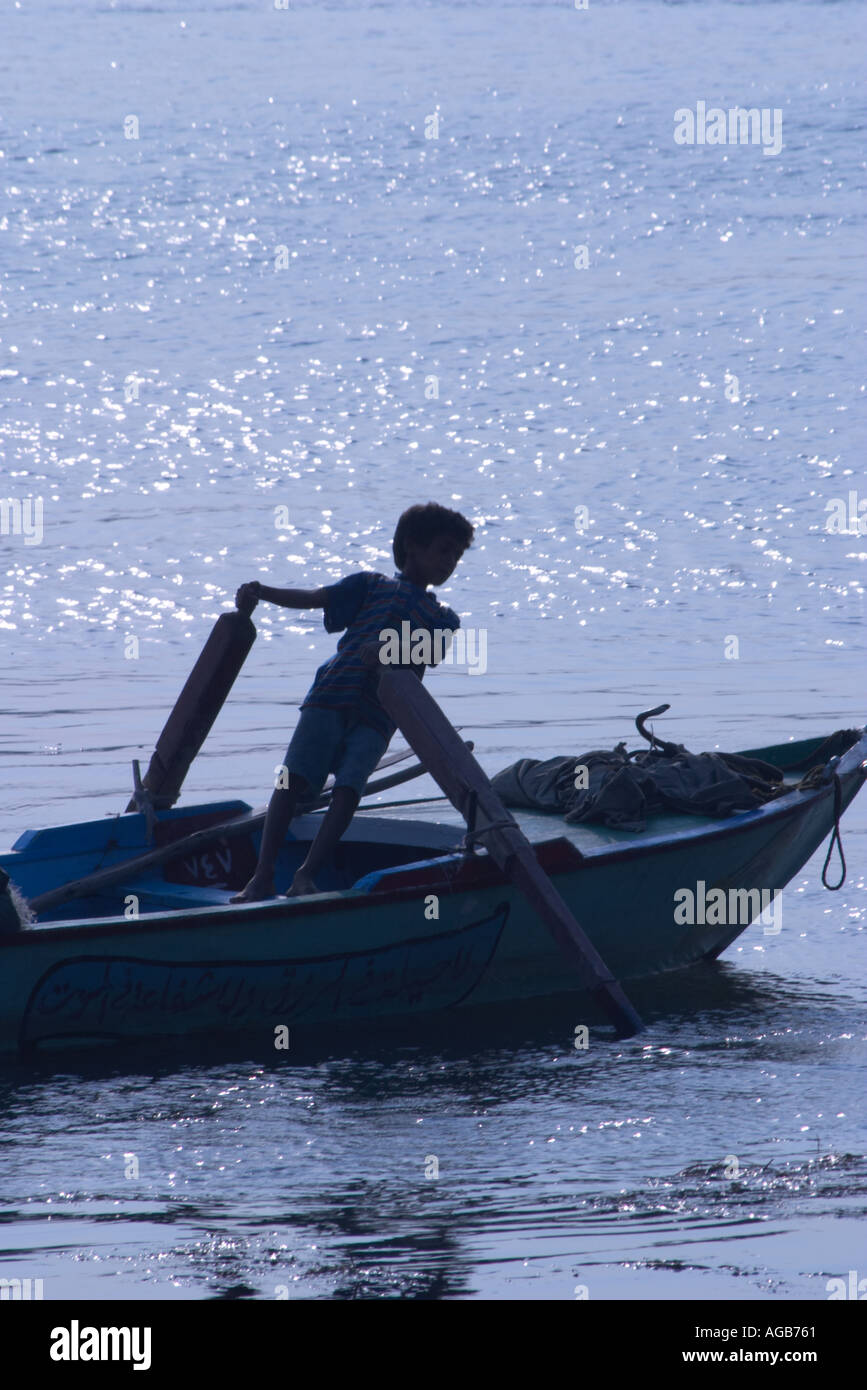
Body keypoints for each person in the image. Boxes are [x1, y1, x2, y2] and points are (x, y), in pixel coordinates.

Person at [230, 502, 474, 901]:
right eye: (443, 550)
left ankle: (306, 875)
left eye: (456, 556)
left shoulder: (442, 616)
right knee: (290, 781)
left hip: (379, 713)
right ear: (412, 546)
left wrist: (389, 647)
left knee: (348, 790)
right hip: (331, 694)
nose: (449, 562)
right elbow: (315, 598)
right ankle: (261, 877)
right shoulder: (371, 585)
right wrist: (263, 593)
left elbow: (430, 651)